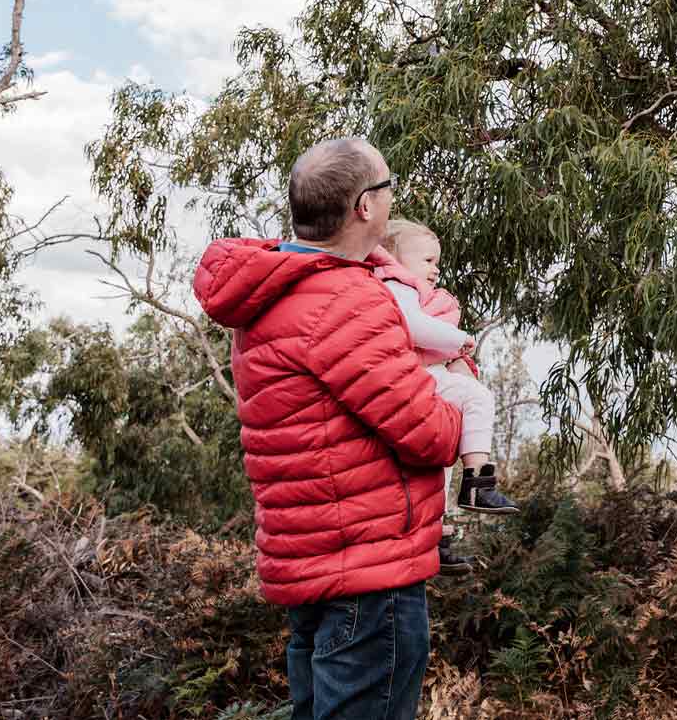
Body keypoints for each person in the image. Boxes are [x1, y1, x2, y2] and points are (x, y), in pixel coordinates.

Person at [194, 137, 461, 720]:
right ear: (365, 206)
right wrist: (458, 392)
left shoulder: (274, 291)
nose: (393, 199)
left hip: (315, 560)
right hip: (369, 575)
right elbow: (432, 435)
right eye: (388, 187)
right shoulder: (344, 301)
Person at [374, 219, 520, 525]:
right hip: (419, 375)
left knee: (443, 453)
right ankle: (477, 482)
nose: (436, 269)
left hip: (425, 373)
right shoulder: (397, 284)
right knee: (478, 399)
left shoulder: (403, 286)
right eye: (427, 260)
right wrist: (459, 340)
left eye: (437, 262)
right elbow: (412, 327)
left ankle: (435, 528)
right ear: (392, 255)